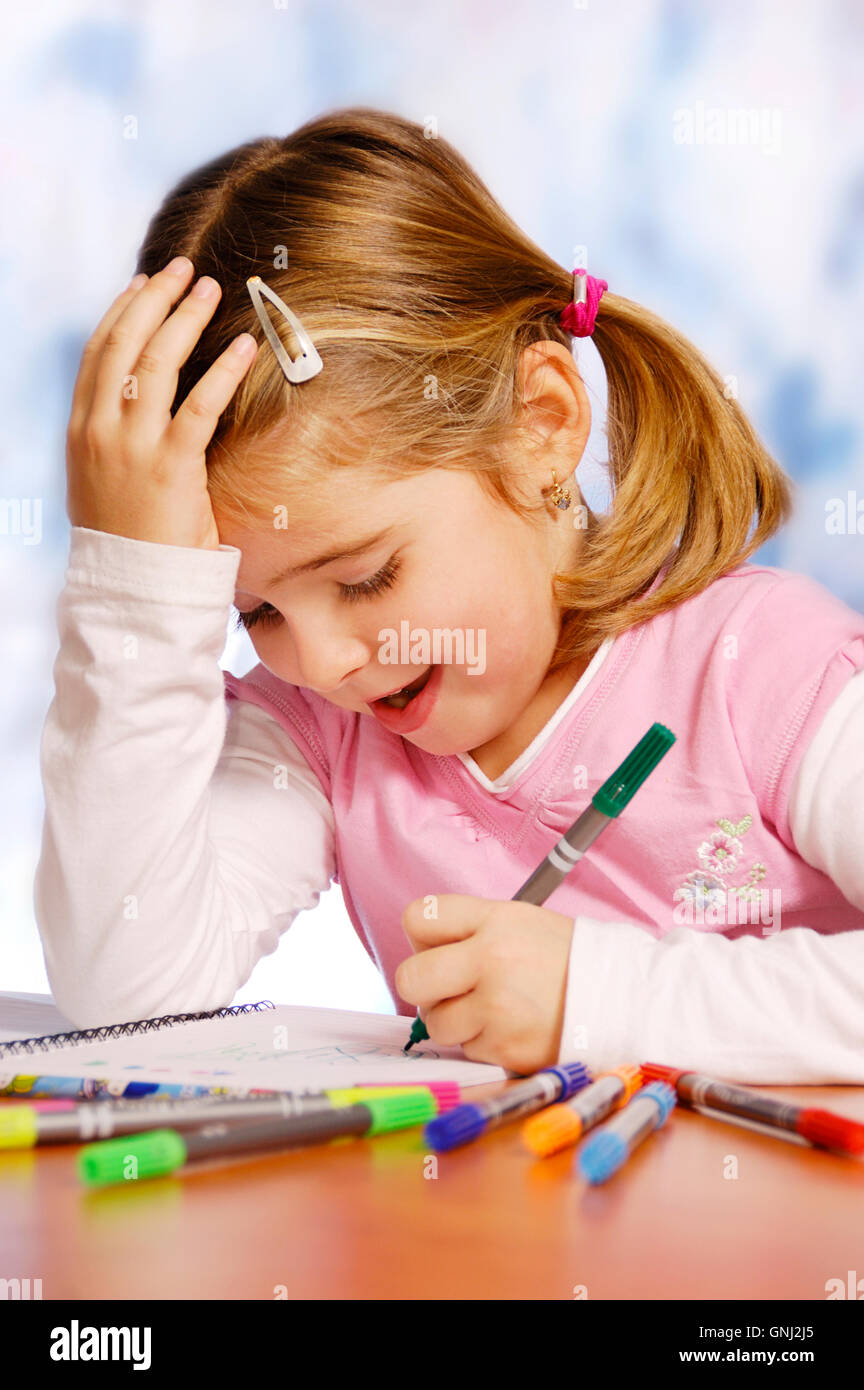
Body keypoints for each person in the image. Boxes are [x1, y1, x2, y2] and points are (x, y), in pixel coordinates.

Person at [35, 108, 864, 1082]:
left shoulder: (764, 674)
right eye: (254, 611)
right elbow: (123, 992)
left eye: (364, 577)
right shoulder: (317, 730)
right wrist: (135, 588)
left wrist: (597, 1001)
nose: (325, 661)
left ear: (543, 425)